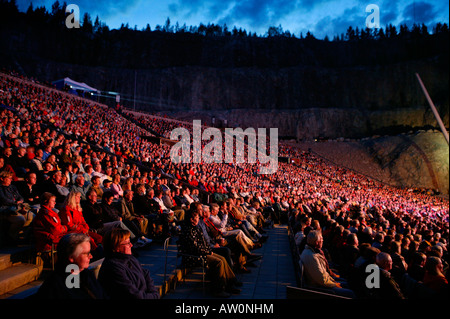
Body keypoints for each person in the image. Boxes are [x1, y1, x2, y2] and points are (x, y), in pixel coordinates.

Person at [179, 208, 242, 298]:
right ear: (191, 219)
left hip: (202, 252)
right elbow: (195, 247)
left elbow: (203, 242)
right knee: (218, 262)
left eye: (197, 217)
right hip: (193, 256)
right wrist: (208, 251)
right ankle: (218, 289)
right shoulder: (189, 230)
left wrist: (209, 249)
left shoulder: (195, 227)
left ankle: (229, 283)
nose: (197, 219)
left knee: (223, 258)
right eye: (195, 217)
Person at [34, 233, 108, 299]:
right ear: (71, 257)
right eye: (87, 253)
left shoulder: (87, 275)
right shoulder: (54, 287)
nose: (91, 256)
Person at [97, 228, 160, 299]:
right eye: (127, 243)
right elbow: (133, 295)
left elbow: (145, 274)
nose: (131, 245)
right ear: (116, 247)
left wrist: (153, 292)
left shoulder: (129, 258)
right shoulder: (113, 267)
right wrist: (154, 296)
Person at [300, 230, 356, 298]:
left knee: (346, 283)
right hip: (321, 288)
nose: (323, 240)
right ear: (317, 242)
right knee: (350, 293)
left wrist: (333, 281)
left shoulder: (311, 252)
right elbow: (321, 279)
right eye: (321, 239)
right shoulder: (312, 256)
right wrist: (335, 284)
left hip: (323, 284)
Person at [0, 170, 34, 243]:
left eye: (11, 178)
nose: (11, 180)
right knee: (20, 219)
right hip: (6, 209)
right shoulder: (1, 188)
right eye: (9, 178)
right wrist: (15, 203)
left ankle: (20, 234)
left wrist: (20, 201)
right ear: (2, 178)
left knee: (30, 216)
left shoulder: (12, 187)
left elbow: (20, 197)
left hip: (17, 207)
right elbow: (4, 200)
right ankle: (11, 237)